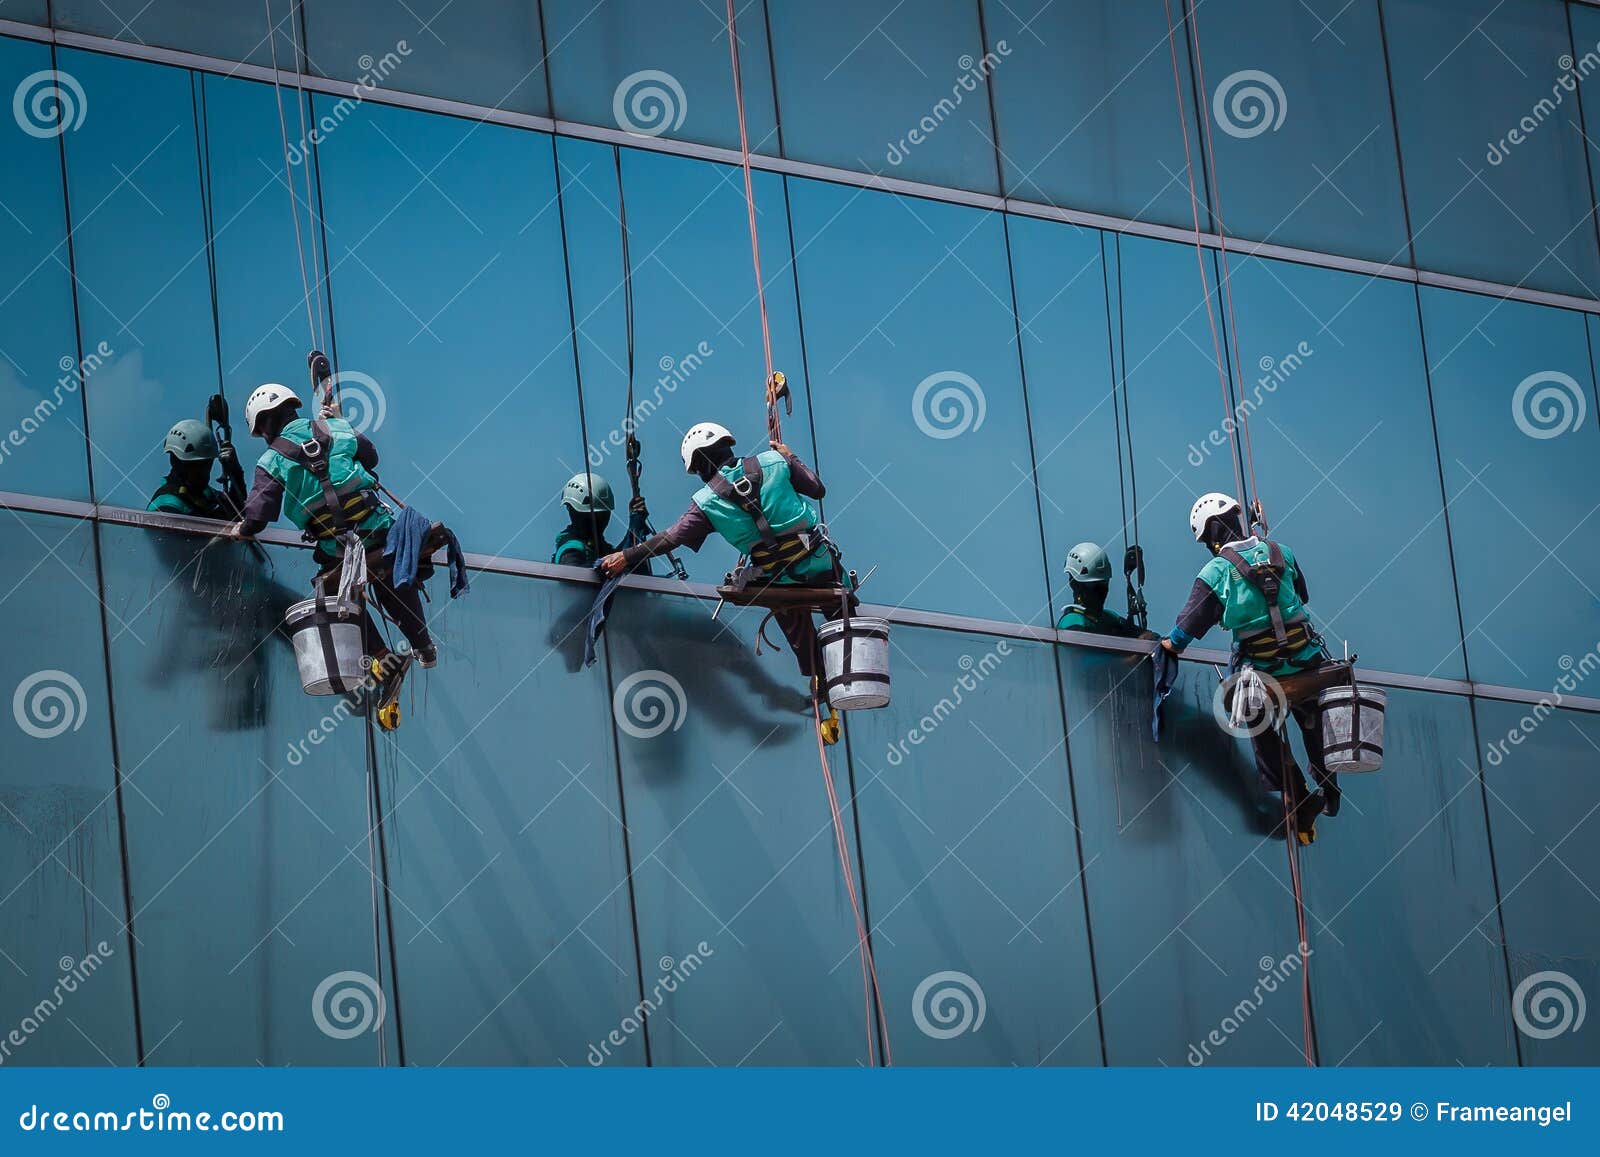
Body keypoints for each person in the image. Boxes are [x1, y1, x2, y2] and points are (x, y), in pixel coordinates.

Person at [597, 420, 851, 741]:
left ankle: (820, 680)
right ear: (727, 446)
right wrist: (790, 456)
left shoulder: (705, 503)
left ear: (701, 462)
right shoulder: (775, 462)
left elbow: (670, 539)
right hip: (817, 563)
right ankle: (853, 665)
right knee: (840, 602)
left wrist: (626, 557)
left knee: (788, 608)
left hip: (778, 580)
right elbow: (817, 488)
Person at [224, 381, 436, 674]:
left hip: (337, 550)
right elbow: (371, 457)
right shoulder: (335, 429)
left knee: (333, 596)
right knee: (389, 580)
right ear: (291, 408)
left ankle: (381, 660)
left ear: (263, 426)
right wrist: (338, 422)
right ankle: (423, 645)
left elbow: (258, 515)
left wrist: (242, 530)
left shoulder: (270, 460)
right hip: (378, 531)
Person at [1159, 492, 1338, 837]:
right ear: (1237, 518)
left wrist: (1166, 646)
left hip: (1264, 675)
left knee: (1255, 719)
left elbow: (1185, 630)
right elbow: (1301, 596)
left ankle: (1298, 794)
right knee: (1310, 713)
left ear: (1211, 535)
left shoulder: (1216, 571)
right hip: (1307, 662)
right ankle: (1329, 785)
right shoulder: (1280, 551)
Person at [552, 471, 652, 570]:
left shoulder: (599, 546)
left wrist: (634, 526)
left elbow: (619, 559)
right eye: (594, 516)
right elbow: (572, 575)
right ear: (574, 513)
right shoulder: (571, 547)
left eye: (603, 515)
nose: (599, 521)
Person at [147, 419, 243, 520]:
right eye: (196, 465)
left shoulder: (203, 493)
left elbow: (238, 515)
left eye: (207, 463)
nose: (203, 471)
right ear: (177, 463)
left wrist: (236, 473)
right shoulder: (166, 506)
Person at [1056, 541, 1150, 638]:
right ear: (1076, 585)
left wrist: (1148, 637)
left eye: (1104, 584)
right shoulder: (1072, 621)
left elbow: (1146, 637)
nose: (1101, 591)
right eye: (1094, 586)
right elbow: (1084, 649)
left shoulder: (1109, 618)